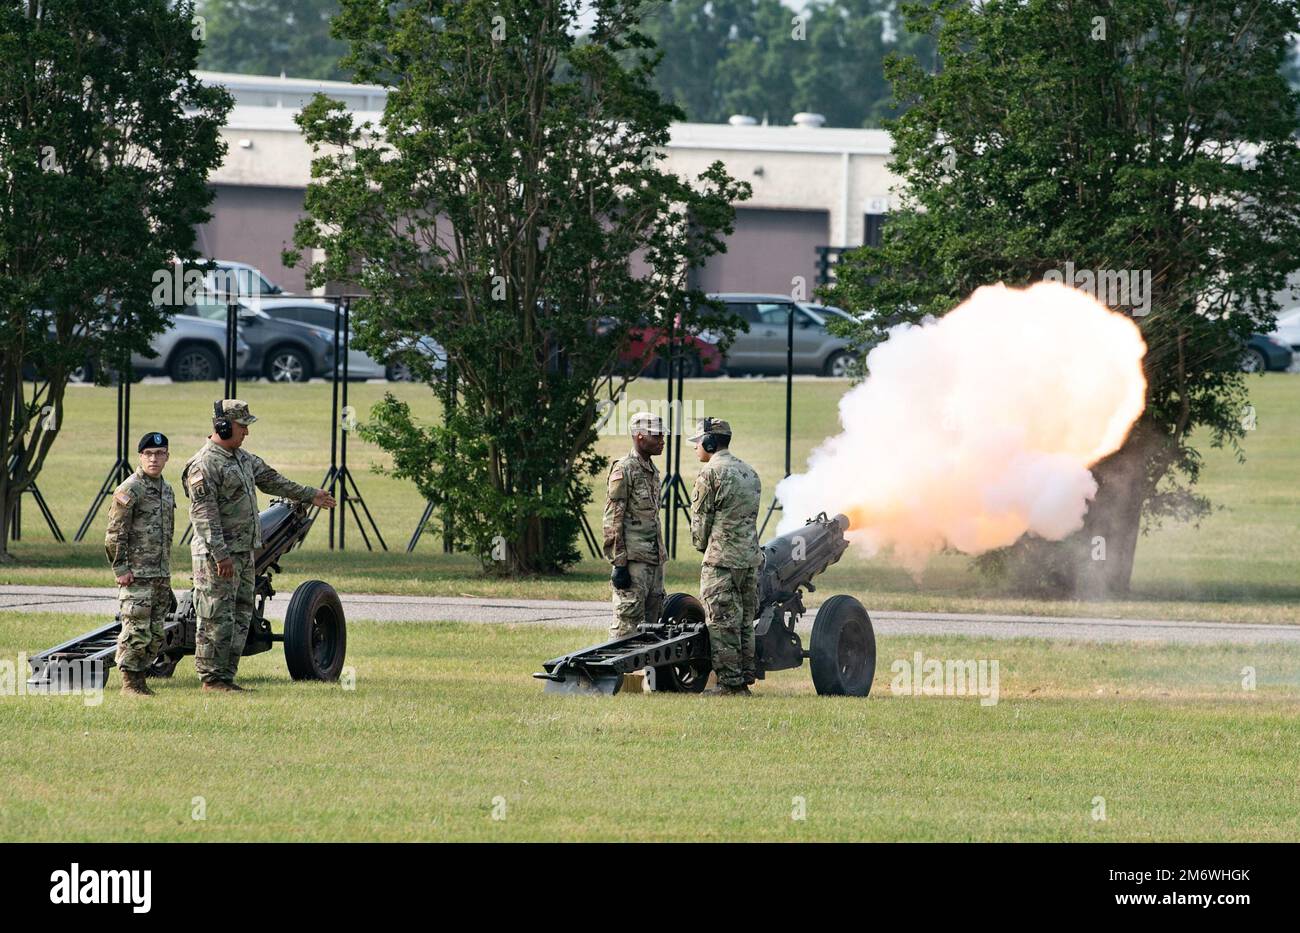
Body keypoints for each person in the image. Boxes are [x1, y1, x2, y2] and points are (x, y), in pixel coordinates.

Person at [182, 399, 336, 692]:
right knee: (216, 615)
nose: (246, 433)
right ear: (223, 426)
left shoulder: (242, 458)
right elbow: (204, 515)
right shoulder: (204, 465)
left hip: (243, 553)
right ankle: (211, 678)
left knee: (240, 614)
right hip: (218, 557)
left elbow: (272, 481)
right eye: (242, 426)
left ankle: (226, 677)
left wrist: (309, 495)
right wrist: (221, 555)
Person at [689, 417, 762, 695]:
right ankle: (743, 679)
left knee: (721, 623)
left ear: (709, 442)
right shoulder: (750, 472)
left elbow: (701, 524)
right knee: (744, 621)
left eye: (698, 442)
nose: (696, 448)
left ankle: (729, 685)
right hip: (749, 559)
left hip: (720, 561)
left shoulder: (710, 474)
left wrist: (702, 546)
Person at [104, 432, 176, 697]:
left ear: (167, 456)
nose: (153, 459)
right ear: (140, 457)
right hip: (136, 576)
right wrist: (120, 569)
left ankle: (141, 681)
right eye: (148, 454)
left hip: (159, 575)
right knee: (136, 630)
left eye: (159, 454)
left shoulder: (166, 490)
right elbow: (114, 533)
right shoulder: (129, 489)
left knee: (156, 633)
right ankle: (129, 684)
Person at [602, 410, 667, 638]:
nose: (662, 441)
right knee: (626, 630)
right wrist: (619, 564)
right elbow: (613, 518)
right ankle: (618, 676)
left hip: (654, 562)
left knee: (652, 631)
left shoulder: (651, 470)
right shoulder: (624, 469)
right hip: (633, 563)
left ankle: (648, 676)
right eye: (657, 436)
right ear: (640, 437)